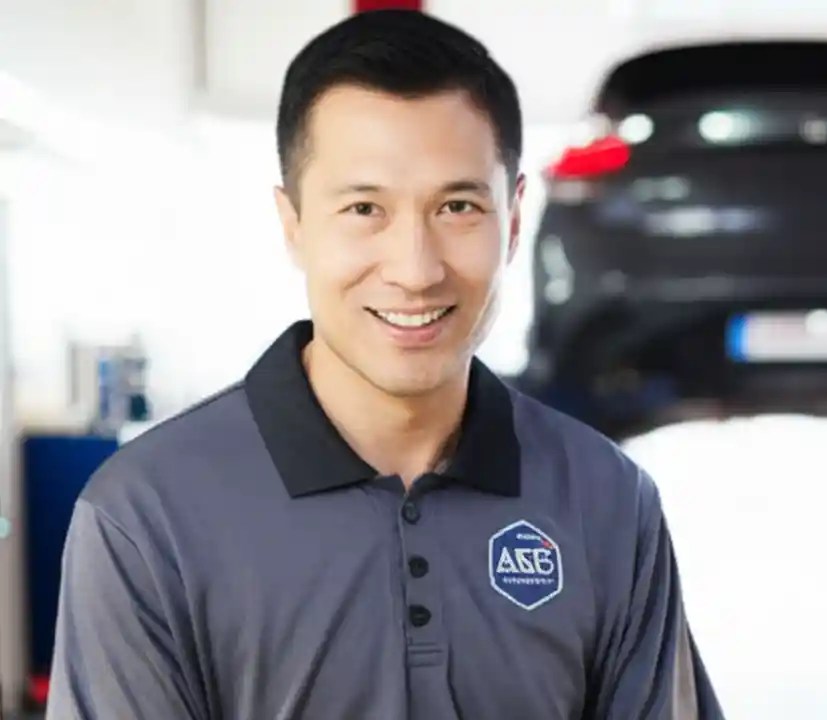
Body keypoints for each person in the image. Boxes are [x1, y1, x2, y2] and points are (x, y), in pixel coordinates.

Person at [46, 10, 722, 719]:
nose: (415, 269)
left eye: (457, 206)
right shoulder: (147, 516)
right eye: (365, 208)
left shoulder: (608, 504)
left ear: (514, 220)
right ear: (294, 224)